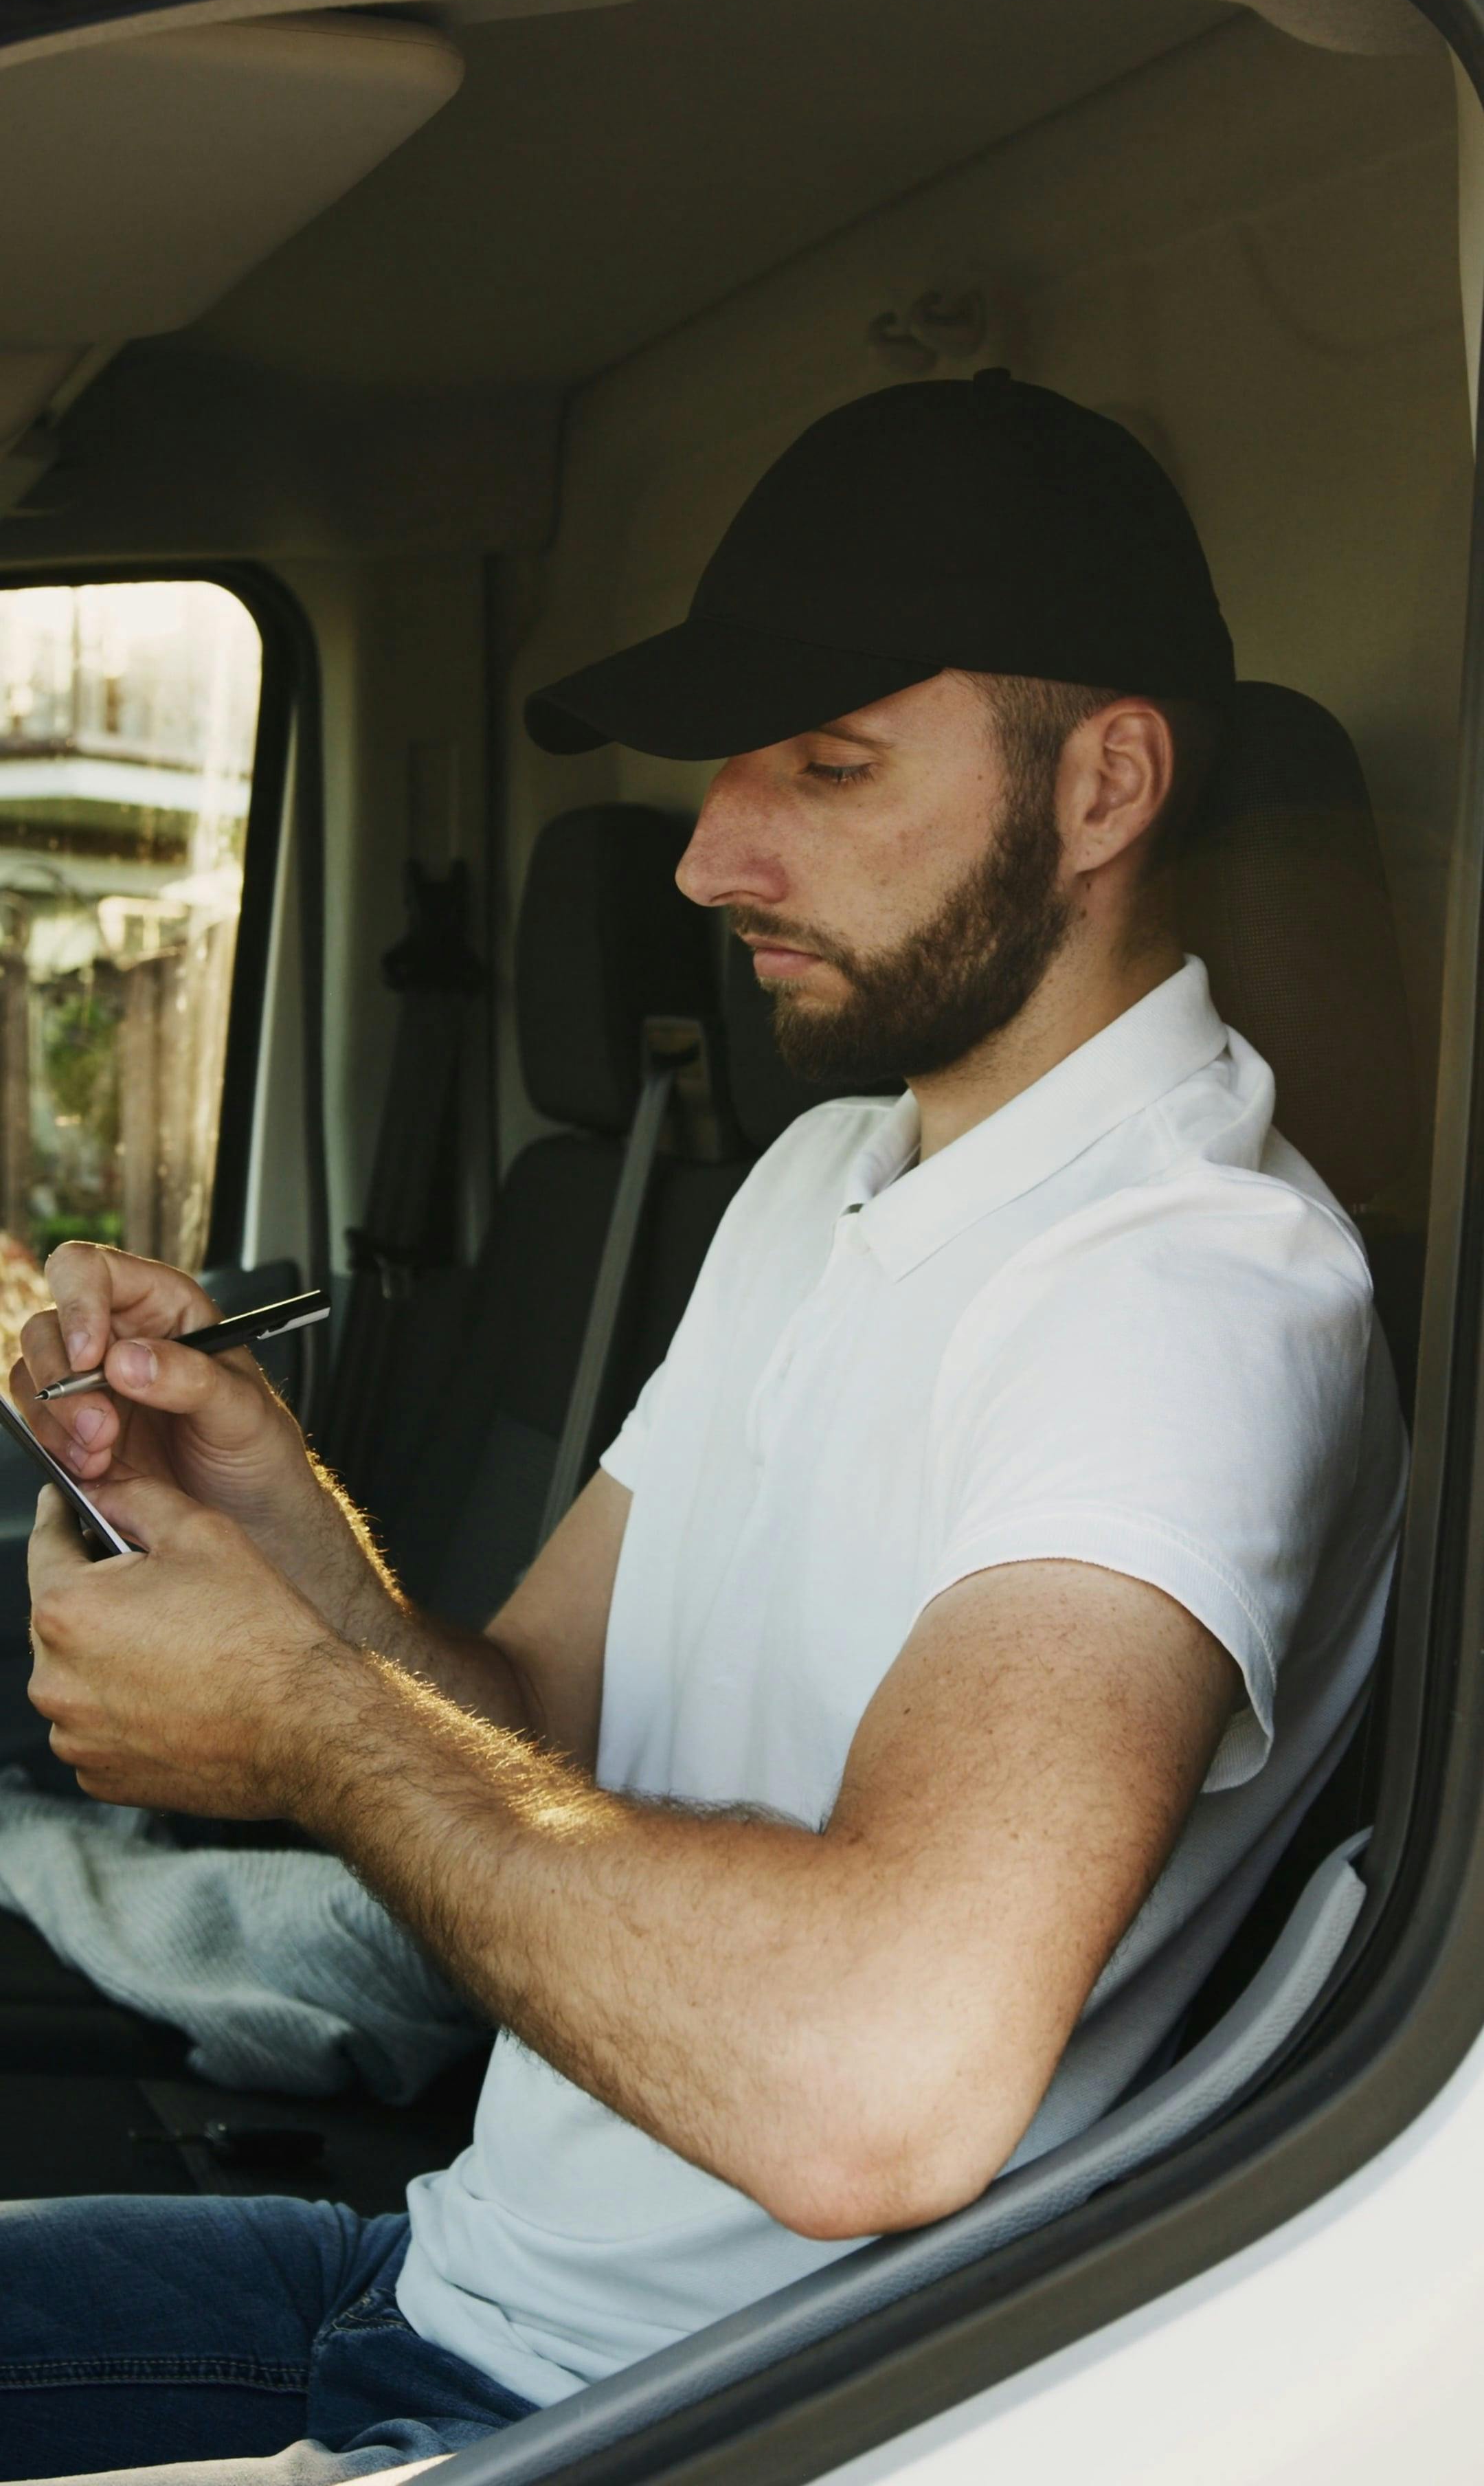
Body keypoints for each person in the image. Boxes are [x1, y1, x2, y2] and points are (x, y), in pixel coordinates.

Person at [2, 373, 1404, 2486]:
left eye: (831, 768)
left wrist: (303, 1725)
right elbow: (529, 1717)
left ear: (1106, 785)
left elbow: (883, 2087)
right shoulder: (827, 1176)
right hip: (439, 2285)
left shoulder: (1187, 1299)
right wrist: (257, 1512)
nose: (712, 855)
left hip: (685, 2422)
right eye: (732, 767)